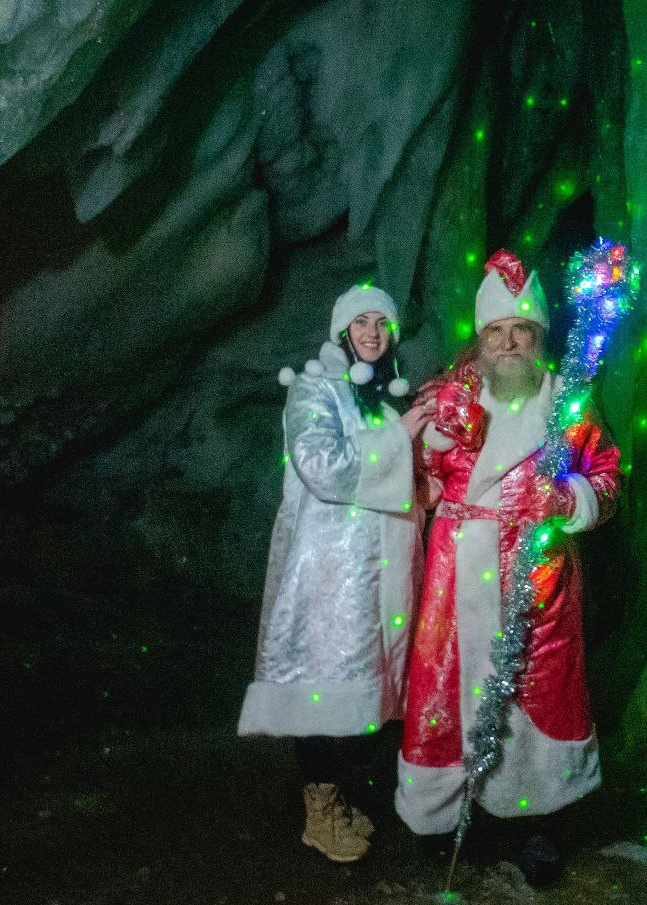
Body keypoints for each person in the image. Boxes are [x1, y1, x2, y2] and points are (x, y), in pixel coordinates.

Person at [395, 250, 620, 885]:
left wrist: (573, 499)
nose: (509, 342)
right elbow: (414, 480)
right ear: (481, 338)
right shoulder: (450, 400)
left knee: (538, 692)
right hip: (457, 571)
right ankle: (442, 813)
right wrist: (426, 460)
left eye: (521, 328)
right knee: (446, 688)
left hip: (538, 577)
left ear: (539, 335)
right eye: (496, 330)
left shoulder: (567, 402)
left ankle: (539, 821)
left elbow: (607, 477)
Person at [238, 284, 431, 863]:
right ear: (341, 331)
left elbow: (400, 476)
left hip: (380, 574)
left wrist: (424, 484)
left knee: (362, 694)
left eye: (381, 323)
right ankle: (318, 813)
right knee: (324, 689)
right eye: (360, 323)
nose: (372, 333)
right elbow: (323, 467)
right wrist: (403, 433)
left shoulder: (384, 396)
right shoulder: (313, 390)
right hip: (329, 577)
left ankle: (340, 798)